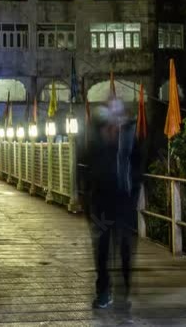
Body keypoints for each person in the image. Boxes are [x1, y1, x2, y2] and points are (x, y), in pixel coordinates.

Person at [78, 98, 142, 310]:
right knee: (102, 249)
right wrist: (85, 198)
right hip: (100, 202)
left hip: (124, 202)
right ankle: (103, 292)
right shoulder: (95, 138)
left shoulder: (131, 139)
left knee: (125, 249)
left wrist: (134, 194)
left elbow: (139, 168)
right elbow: (83, 167)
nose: (115, 121)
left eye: (119, 115)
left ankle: (123, 292)